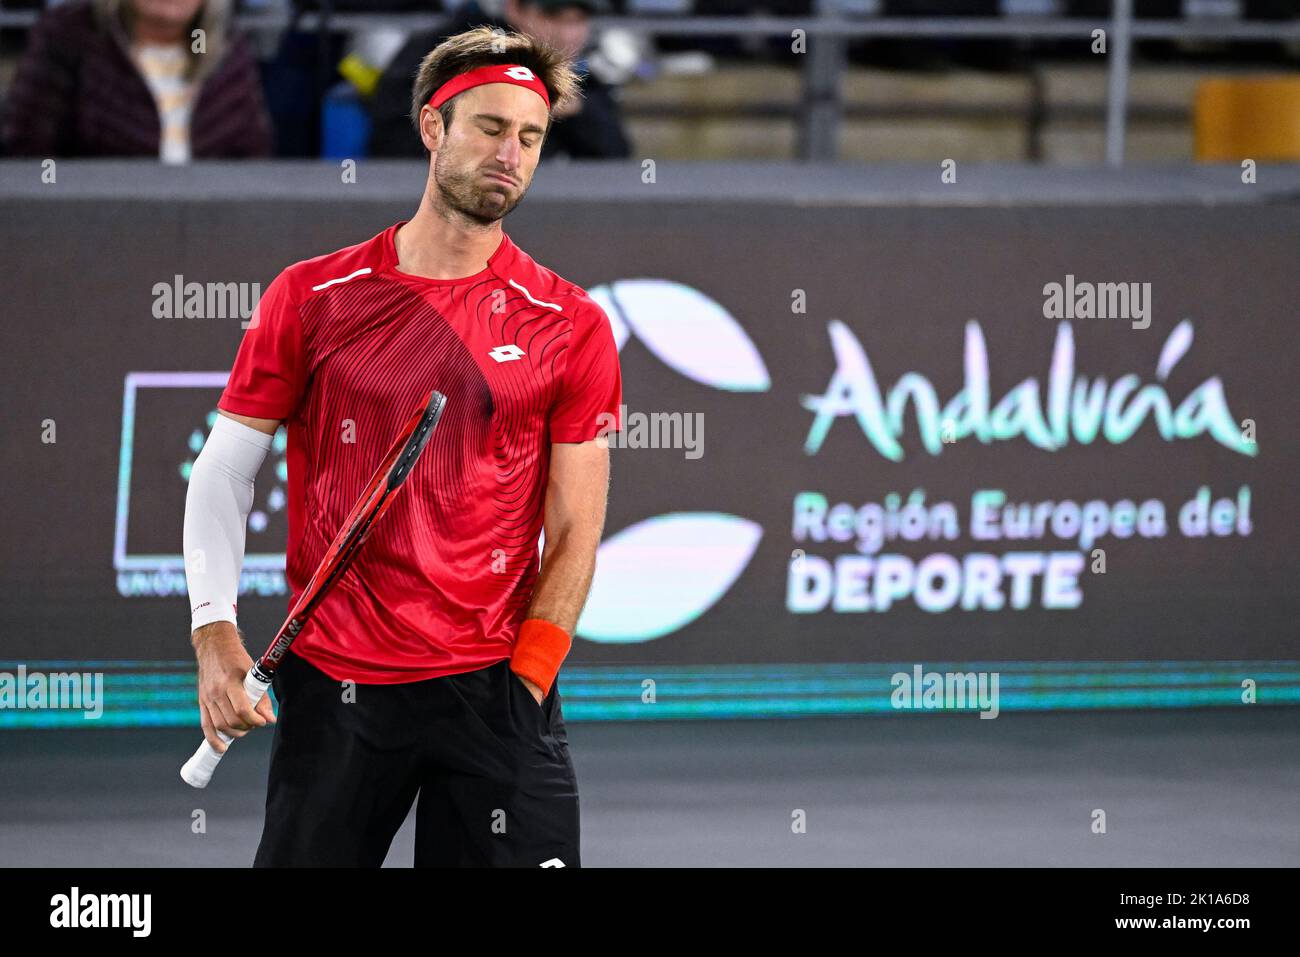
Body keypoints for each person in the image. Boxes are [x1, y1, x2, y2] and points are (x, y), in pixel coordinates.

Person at [183, 25, 622, 867]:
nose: (512, 154)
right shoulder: (312, 296)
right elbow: (225, 469)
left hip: (494, 684)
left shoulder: (571, 324)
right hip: (338, 688)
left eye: (530, 137)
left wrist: (527, 684)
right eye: (490, 127)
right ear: (433, 127)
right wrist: (214, 633)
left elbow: (576, 528)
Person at [3, 0, 271, 161]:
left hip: (207, 230)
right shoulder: (70, 34)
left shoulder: (227, 47)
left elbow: (252, 158)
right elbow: (27, 152)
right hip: (92, 230)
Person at [368, 0, 630, 160]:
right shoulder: (446, 50)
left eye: (578, 20)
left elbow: (616, 158)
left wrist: (578, 113)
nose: (568, 34)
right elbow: (394, 143)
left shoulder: (582, 77)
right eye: (553, 17)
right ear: (515, 8)